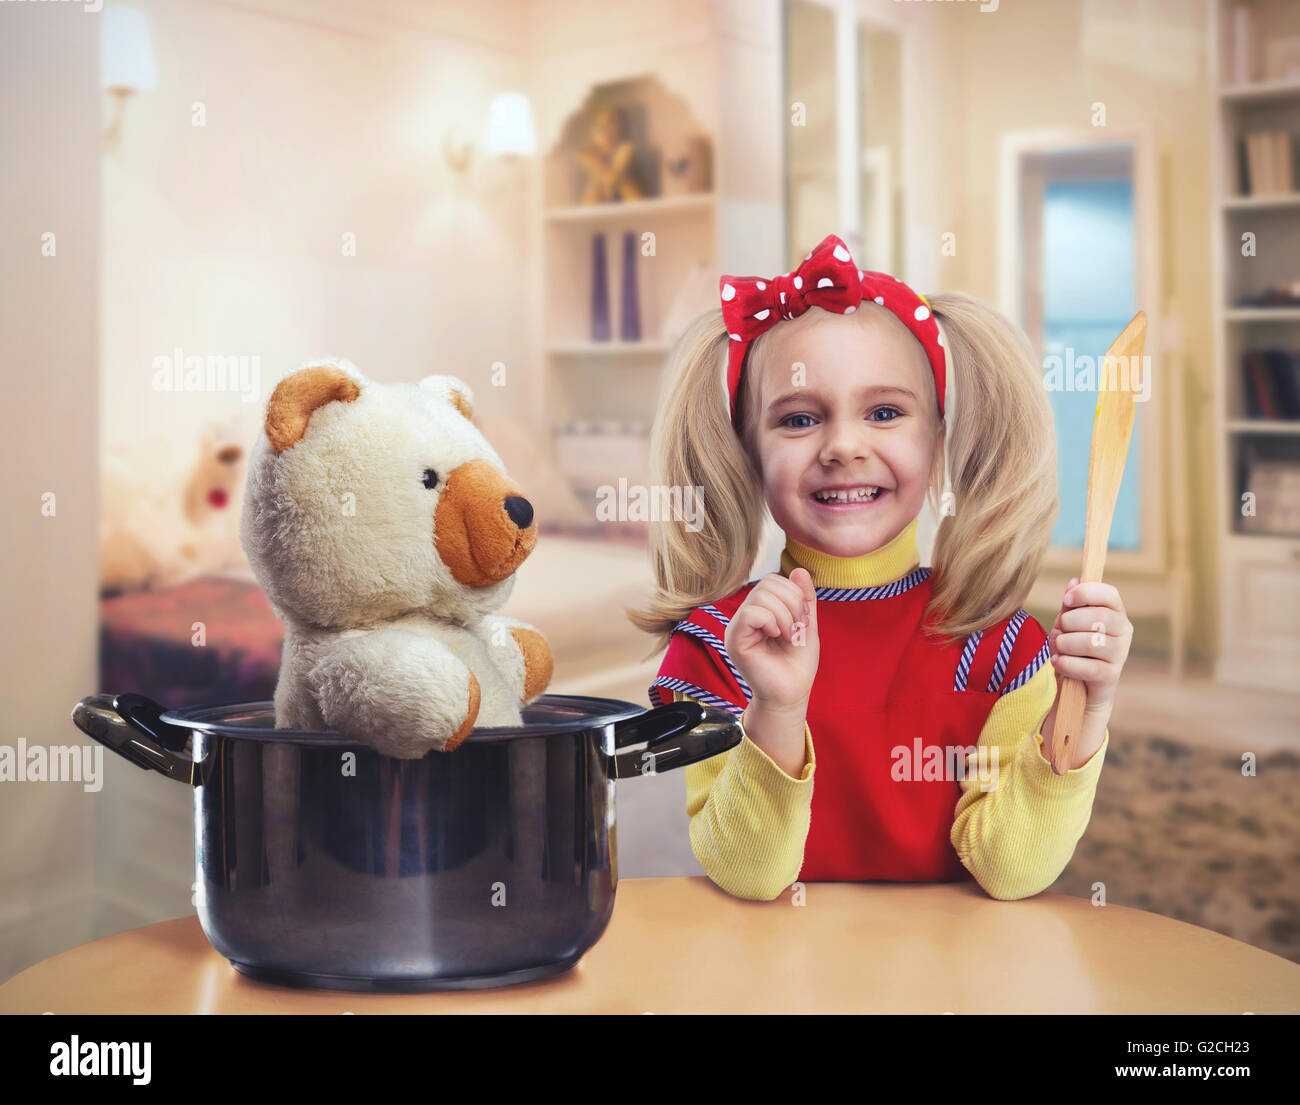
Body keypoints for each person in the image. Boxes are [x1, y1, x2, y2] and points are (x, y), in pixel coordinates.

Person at [627, 234, 1132, 901]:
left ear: (938, 437)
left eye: (886, 412)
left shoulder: (999, 649)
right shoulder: (720, 648)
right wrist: (777, 708)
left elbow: (1011, 871)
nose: (843, 445)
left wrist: (1086, 708)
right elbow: (747, 872)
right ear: (746, 451)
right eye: (800, 418)